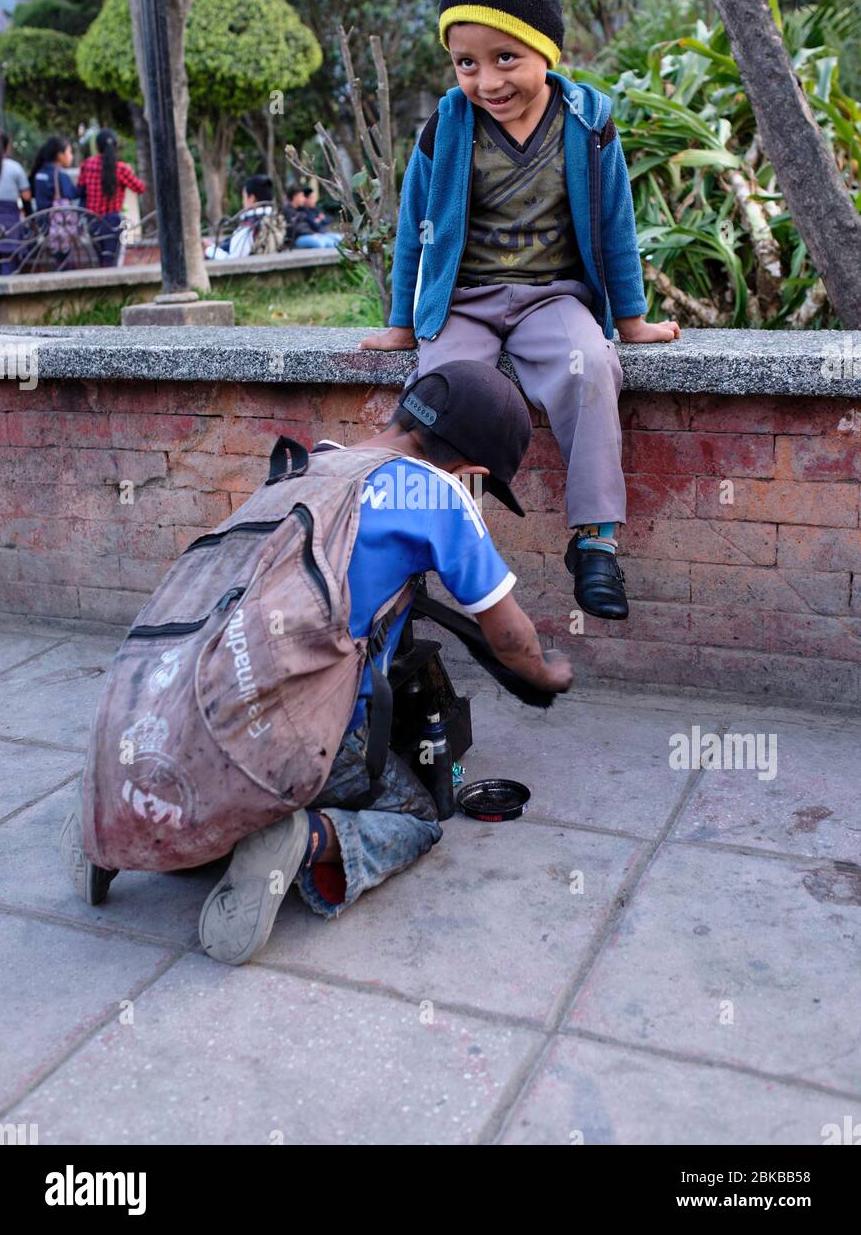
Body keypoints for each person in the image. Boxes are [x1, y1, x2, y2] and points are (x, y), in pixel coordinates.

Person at [60, 361, 574, 967]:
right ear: (474, 473)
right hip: (287, 736)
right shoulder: (437, 494)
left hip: (177, 703)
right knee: (416, 816)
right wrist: (548, 674)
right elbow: (511, 638)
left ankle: (108, 828)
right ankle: (301, 840)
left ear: (403, 413)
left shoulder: (306, 465)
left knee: (211, 758)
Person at [359, 0, 682, 622]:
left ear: (546, 51)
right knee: (439, 394)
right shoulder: (445, 129)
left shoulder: (588, 125)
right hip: (467, 299)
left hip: (551, 299)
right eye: (466, 63)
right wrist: (398, 324)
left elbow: (616, 230)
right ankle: (423, 544)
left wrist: (629, 322)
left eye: (507, 58)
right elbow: (413, 232)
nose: (487, 80)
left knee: (590, 370)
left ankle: (595, 540)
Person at [77, 127, 145, 268]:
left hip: (92, 220)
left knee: (101, 260)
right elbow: (140, 188)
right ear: (115, 145)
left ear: (97, 146)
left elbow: (80, 188)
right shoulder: (120, 168)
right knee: (112, 262)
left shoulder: (88, 164)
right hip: (113, 221)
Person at [204, 174, 278, 259]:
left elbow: (233, 259)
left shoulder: (250, 226)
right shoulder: (272, 218)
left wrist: (208, 250)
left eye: (244, 198)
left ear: (252, 198)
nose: (243, 202)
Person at [0, 129, 31, 274]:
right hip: (9, 221)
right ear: (7, 147)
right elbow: (27, 196)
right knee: (8, 258)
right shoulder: (15, 168)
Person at [29, 135, 83, 212]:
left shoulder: (40, 172)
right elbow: (71, 193)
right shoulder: (61, 174)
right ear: (60, 156)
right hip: (55, 220)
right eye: (70, 152)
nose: (71, 156)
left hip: (41, 220)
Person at [286, 183, 341, 248]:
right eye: (302, 196)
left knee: (335, 241)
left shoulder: (301, 209)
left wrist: (313, 232)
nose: (304, 198)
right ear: (295, 196)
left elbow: (310, 223)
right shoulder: (288, 210)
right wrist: (312, 233)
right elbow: (297, 227)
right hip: (297, 238)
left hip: (310, 234)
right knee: (321, 243)